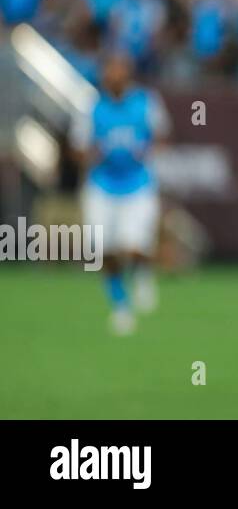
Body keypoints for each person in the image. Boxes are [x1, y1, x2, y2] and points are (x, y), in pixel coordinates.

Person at [71, 52, 172, 335]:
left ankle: (142, 272)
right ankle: (121, 305)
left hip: (137, 185)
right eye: (109, 71)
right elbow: (77, 148)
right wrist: (93, 154)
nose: (113, 77)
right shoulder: (90, 106)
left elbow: (162, 136)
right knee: (103, 251)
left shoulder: (146, 102)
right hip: (102, 186)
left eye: (119, 70)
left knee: (134, 246)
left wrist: (148, 152)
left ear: (127, 74)